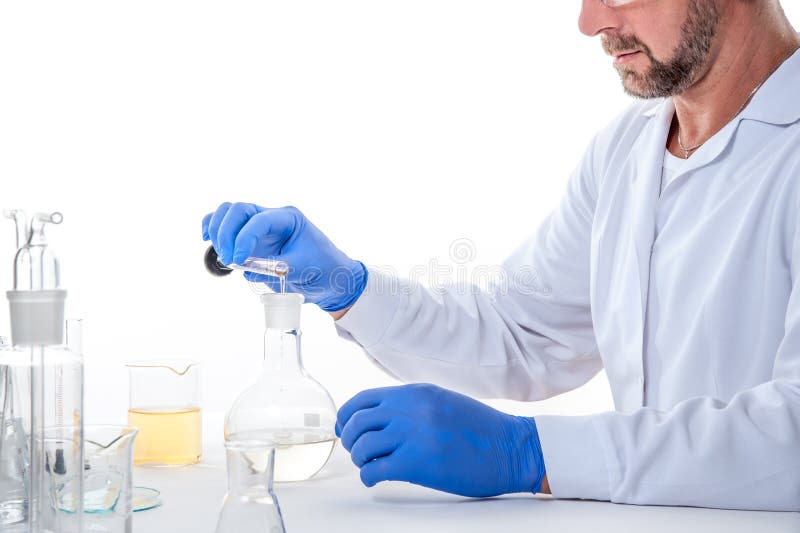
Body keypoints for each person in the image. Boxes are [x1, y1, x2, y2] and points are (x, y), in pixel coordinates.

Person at [202, 0, 800, 511]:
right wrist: (342, 286)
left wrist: (534, 454)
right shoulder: (629, 147)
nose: (590, 22)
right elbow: (524, 330)